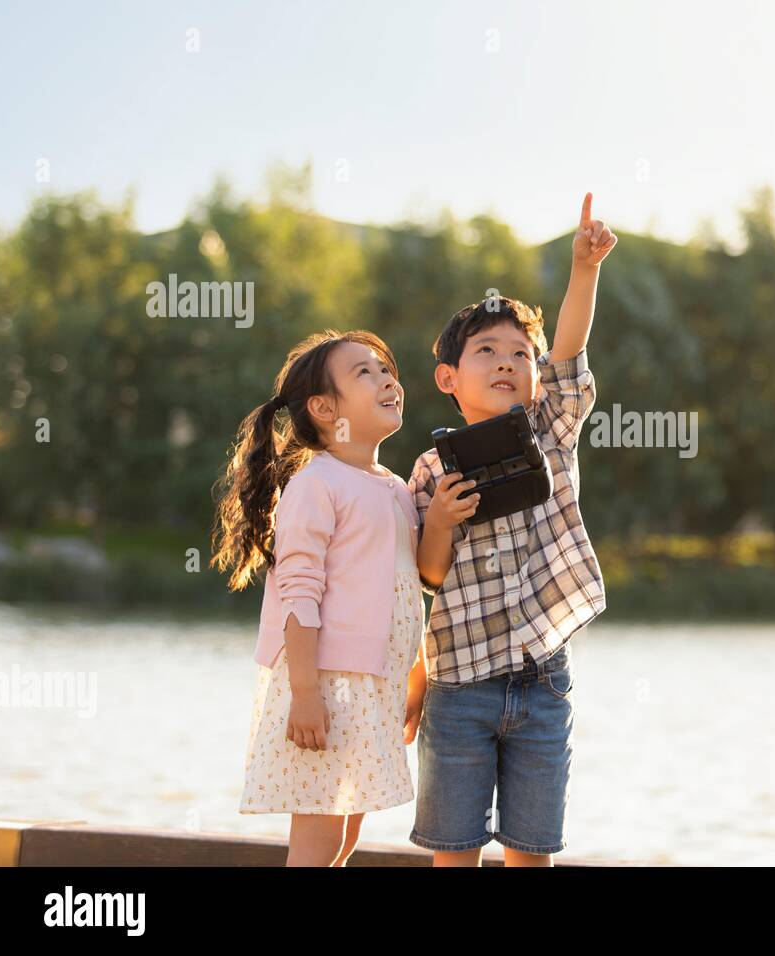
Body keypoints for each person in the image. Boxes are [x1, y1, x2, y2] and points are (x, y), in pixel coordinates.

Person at [402, 193, 616, 867]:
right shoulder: (431, 467)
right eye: (486, 351)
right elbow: (426, 577)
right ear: (448, 377)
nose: (505, 363)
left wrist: (583, 269)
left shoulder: (551, 433)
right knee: (453, 849)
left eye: (519, 355)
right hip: (458, 682)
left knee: (533, 851)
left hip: (543, 679)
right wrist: (439, 518)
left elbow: (570, 351)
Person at [212, 329, 424, 866]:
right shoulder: (318, 483)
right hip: (328, 685)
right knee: (318, 836)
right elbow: (297, 594)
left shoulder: (395, 487)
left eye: (384, 369)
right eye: (364, 373)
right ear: (325, 407)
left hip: (375, 684)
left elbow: (409, 588)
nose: (386, 379)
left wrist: (413, 682)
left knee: (346, 834)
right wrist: (305, 693)